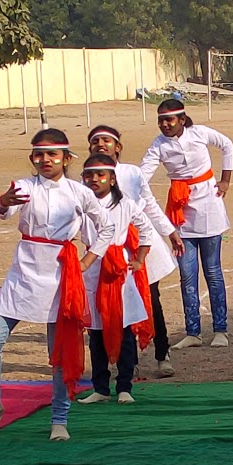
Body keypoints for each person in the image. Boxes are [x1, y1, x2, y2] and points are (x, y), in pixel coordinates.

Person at [0, 129, 113, 442]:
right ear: (32, 158)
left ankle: (59, 419)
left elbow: (106, 227)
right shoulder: (25, 186)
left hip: (62, 276)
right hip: (23, 273)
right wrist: (3, 201)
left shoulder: (80, 193)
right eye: (39, 155)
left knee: (60, 353)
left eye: (52, 154)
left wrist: (87, 261)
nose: (45, 160)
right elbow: (4, 212)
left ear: (66, 159)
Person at [88, 126, 184, 378]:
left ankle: (162, 354)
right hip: (109, 251)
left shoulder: (132, 173)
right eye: (95, 141)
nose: (101, 144)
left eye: (106, 140)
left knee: (150, 298)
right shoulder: (88, 179)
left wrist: (170, 231)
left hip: (141, 244)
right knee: (116, 304)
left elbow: (149, 205)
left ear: (117, 147)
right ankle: (127, 360)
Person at [140, 99, 233, 350]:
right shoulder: (158, 145)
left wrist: (225, 180)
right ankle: (192, 331)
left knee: (213, 272)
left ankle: (220, 329)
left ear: (182, 120)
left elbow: (227, 145)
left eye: (169, 120)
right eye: (161, 120)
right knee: (187, 275)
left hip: (209, 206)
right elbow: (142, 176)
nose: (164, 125)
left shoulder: (199, 133)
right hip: (180, 213)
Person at [75, 154, 154, 405]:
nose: (94, 179)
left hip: (118, 269)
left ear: (112, 178)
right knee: (96, 332)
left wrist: (139, 258)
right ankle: (100, 387)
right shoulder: (79, 205)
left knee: (124, 330)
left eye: (101, 174)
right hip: (90, 269)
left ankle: (124, 387)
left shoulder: (126, 204)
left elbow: (146, 229)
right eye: (89, 175)